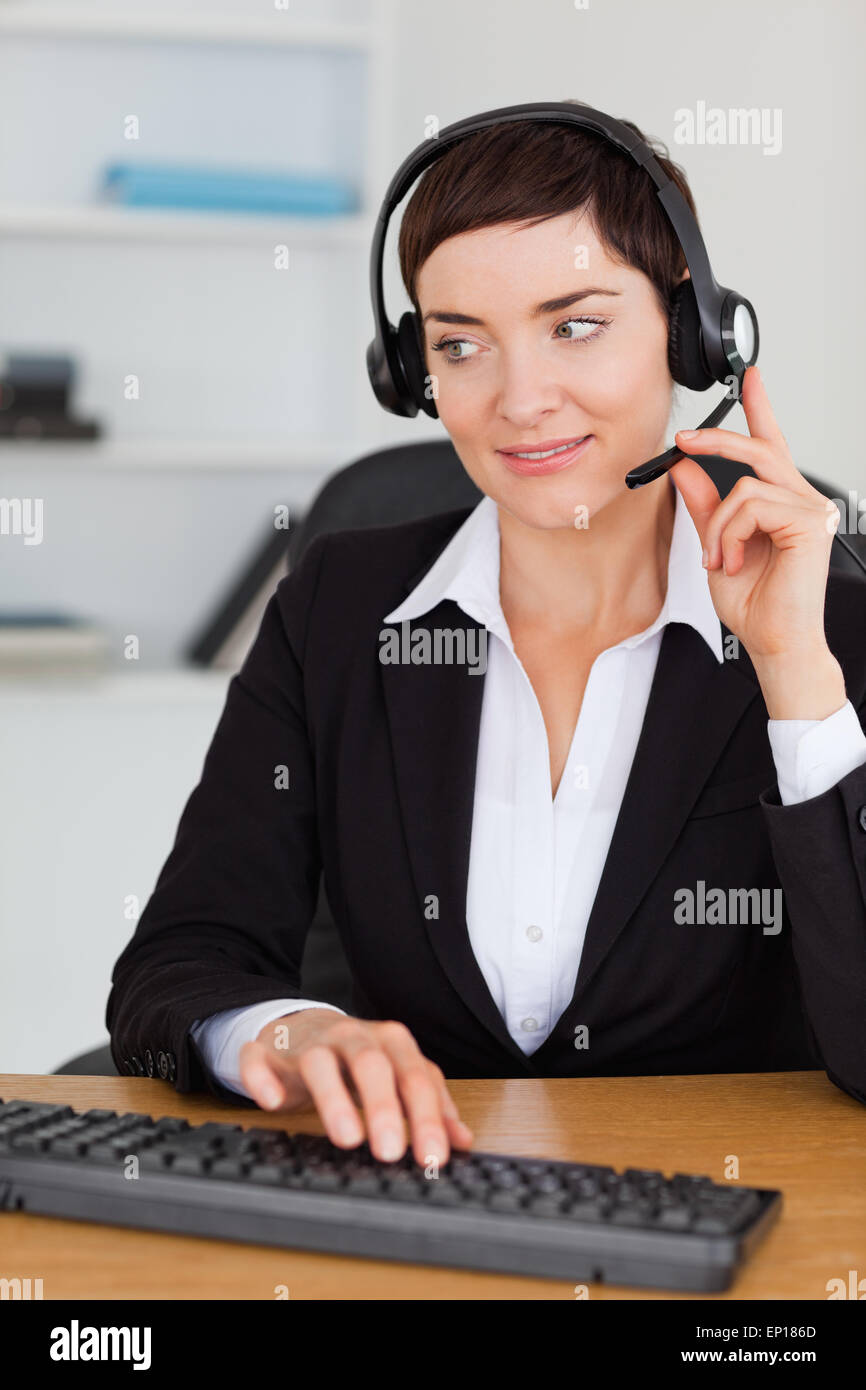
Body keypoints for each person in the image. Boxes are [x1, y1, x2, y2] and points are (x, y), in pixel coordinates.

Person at [107, 107, 866, 1171]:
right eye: (459, 344)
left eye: (574, 325)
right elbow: (180, 960)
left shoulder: (829, 617)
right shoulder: (340, 604)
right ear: (412, 372)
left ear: (694, 335)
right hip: (419, 1214)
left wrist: (795, 678)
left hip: (738, 1231)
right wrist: (286, 1032)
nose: (518, 400)